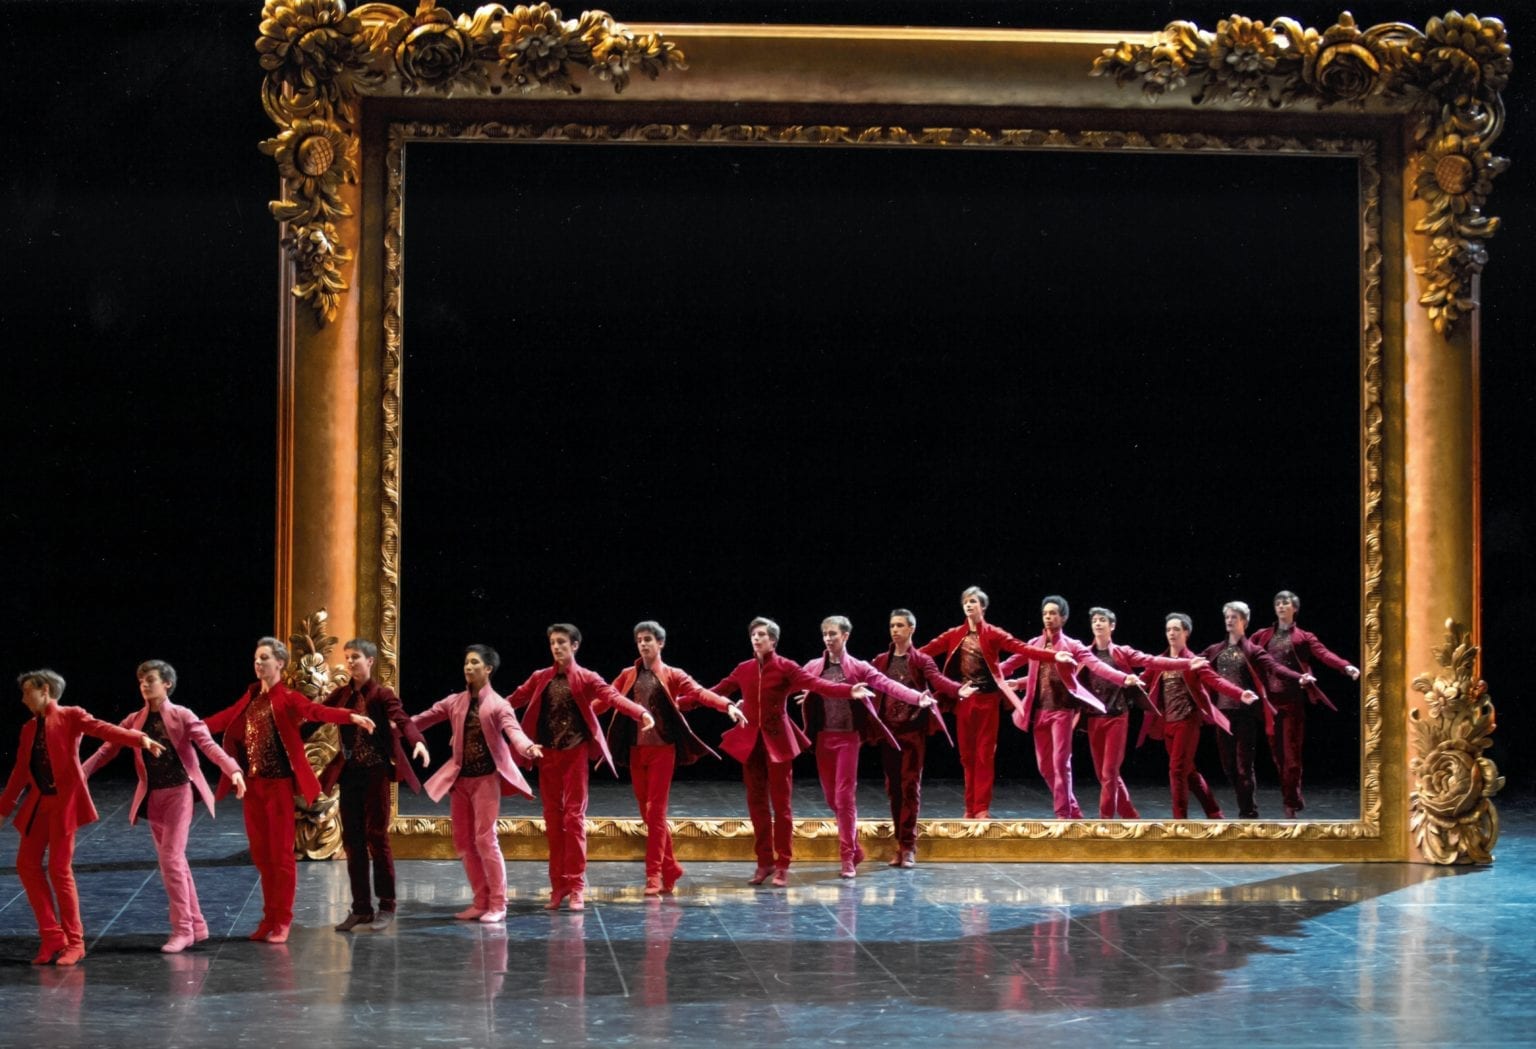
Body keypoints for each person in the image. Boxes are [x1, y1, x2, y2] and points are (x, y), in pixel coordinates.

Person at [204, 637, 376, 944]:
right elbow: (220, 720)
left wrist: (350, 716)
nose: (258, 664)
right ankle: (268, 917)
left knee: (281, 856)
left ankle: (283, 919)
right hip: (253, 787)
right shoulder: (251, 696)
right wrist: (186, 728)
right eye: (256, 659)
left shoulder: (287, 697)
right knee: (261, 855)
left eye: (265, 658)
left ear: (279, 664)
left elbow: (317, 711)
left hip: (279, 787)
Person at [1, 668, 165, 966]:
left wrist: (139, 739)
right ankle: (52, 935)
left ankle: (75, 942)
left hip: (64, 805)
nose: (24, 698)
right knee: (25, 864)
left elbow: (104, 729)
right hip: (40, 806)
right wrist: (3, 807)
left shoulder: (70, 715)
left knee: (59, 870)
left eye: (28, 691)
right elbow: (20, 772)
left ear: (45, 691)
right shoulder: (28, 729)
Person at [81, 660, 246, 953]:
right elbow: (108, 748)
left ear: (167, 683)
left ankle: (182, 930)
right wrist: (80, 773)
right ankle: (197, 926)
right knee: (175, 862)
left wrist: (232, 769)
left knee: (170, 859)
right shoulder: (133, 720)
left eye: (151, 680)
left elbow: (209, 745)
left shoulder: (182, 715)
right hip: (153, 798)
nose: (145, 685)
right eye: (141, 680)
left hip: (179, 794)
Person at [711, 617, 875, 887]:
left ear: (773, 641)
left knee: (782, 807)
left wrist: (848, 690)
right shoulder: (744, 669)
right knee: (756, 806)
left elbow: (817, 684)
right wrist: (679, 702)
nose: (756, 638)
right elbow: (715, 692)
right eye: (753, 634)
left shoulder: (786, 667)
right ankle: (764, 862)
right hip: (752, 745)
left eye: (761, 635)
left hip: (779, 745)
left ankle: (783, 864)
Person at [506, 624, 654, 911]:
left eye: (562, 642)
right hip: (547, 754)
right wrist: (479, 718)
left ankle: (576, 886)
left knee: (573, 819)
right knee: (552, 820)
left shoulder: (586, 677)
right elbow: (512, 701)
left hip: (574, 754)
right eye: (552, 642)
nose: (556, 647)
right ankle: (557, 887)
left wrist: (641, 712)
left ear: (574, 645)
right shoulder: (541, 677)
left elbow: (613, 698)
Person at [607, 620, 747, 895]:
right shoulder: (627, 674)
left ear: (661, 643)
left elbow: (700, 693)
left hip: (662, 750)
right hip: (636, 750)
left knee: (655, 813)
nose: (643, 644)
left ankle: (654, 875)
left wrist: (726, 705)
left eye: (648, 639)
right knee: (646, 815)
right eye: (639, 640)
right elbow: (605, 698)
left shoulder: (672, 674)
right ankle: (671, 867)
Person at [918, 587, 1076, 818]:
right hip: (964, 700)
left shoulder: (993, 633)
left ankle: (981, 808)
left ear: (983, 607)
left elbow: (1022, 648)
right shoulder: (953, 634)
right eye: (965, 602)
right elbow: (922, 654)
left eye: (973, 602)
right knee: (966, 757)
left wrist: (1053, 655)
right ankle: (969, 808)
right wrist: (894, 662)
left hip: (988, 701)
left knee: (984, 755)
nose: (968, 605)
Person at [412, 644, 541, 923]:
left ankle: (498, 903)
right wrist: (398, 727)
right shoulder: (455, 701)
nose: (468, 667)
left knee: (485, 839)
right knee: (462, 840)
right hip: (461, 782)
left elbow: (514, 732)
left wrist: (527, 747)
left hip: (485, 780)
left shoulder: (498, 705)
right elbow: (424, 718)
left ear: (488, 669)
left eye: (474, 663)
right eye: (466, 663)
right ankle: (480, 900)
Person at [799, 615, 936, 878]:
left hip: (848, 739)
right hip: (824, 739)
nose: (828, 639)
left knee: (844, 798)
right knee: (832, 800)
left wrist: (917, 697)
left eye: (833, 634)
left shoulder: (859, 667)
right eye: (825, 634)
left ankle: (847, 857)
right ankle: (855, 848)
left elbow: (888, 684)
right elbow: (782, 683)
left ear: (845, 636)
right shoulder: (814, 666)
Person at [322, 639, 430, 932]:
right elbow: (316, 715)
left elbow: (403, 720)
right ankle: (361, 908)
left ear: (370, 661)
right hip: (351, 774)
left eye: (355, 657)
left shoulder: (381, 694)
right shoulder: (342, 695)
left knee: (376, 836)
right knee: (352, 842)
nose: (350, 662)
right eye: (347, 658)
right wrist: (288, 739)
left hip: (376, 774)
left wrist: (417, 742)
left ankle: (387, 905)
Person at [998, 595, 1136, 819]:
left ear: (1063, 617)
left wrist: (1123, 678)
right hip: (1039, 712)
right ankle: (1074, 812)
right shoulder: (1035, 644)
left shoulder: (1073, 645)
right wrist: (990, 674)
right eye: (1045, 613)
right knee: (1045, 767)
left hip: (1062, 711)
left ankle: (1063, 815)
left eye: (1053, 613)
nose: (1048, 617)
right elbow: (1010, 663)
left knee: (1061, 764)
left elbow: (1097, 665)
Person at [1078, 607, 1203, 819]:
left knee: (1109, 773)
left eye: (1102, 620)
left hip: (1117, 718)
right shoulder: (1084, 654)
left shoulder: (1122, 652)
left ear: (1112, 626)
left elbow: (1151, 661)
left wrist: (1186, 663)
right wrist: (1023, 682)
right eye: (1094, 621)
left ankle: (1105, 822)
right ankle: (1131, 817)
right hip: (1093, 719)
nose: (1097, 624)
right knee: (1105, 775)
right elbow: (1064, 677)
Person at [869, 608, 969, 866]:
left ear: (911, 629)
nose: (895, 630)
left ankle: (909, 846)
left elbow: (937, 680)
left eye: (900, 625)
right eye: (892, 625)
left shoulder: (921, 660)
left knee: (910, 786)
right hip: (889, 731)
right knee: (893, 789)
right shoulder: (881, 660)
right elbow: (862, 678)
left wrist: (959, 689)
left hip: (913, 731)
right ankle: (899, 845)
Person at [1249, 591, 1361, 818]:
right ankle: (1292, 796)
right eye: (1277, 603)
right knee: (1278, 756)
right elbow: (1244, 652)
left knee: (1291, 757)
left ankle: (1290, 804)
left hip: (1292, 702)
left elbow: (1324, 654)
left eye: (1286, 603)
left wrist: (1345, 666)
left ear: (1295, 608)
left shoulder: (1303, 637)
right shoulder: (1262, 636)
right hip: (1269, 704)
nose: (1281, 606)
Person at [1140, 614, 1258, 819]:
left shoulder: (1194, 661)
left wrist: (1240, 693)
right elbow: (1142, 681)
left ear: (1186, 632)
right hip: (1168, 723)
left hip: (1188, 722)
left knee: (1176, 771)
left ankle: (1179, 820)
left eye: (1176, 629)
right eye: (1168, 629)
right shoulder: (1161, 660)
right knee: (1189, 772)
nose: (1171, 633)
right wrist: (1124, 682)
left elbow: (1216, 681)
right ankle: (1214, 812)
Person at [1200, 602, 1311, 819]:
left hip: (1245, 715)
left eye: (1234, 617)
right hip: (1223, 715)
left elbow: (1274, 667)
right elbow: (1191, 660)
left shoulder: (1253, 650)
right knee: (1229, 768)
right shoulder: (1215, 650)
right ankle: (1246, 805)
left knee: (1244, 768)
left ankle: (1248, 812)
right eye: (1227, 617)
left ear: (1244, 621)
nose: (1229, 621)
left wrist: (1299, 677)